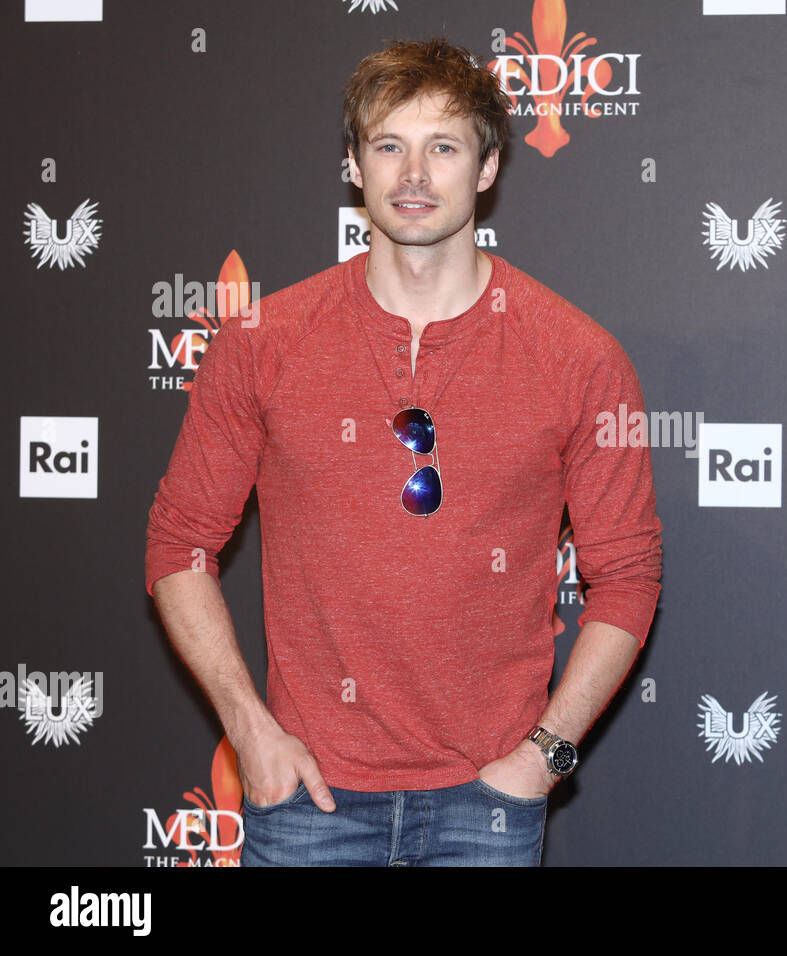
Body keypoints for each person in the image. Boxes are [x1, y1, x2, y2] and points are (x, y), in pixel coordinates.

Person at [144, 37, 662, 866]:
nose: (414, 174)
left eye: (443, 146)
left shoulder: (577, 357)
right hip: (306, 798)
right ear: (354, 165)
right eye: (389, 145)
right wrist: (250, 731)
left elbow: (628, 578)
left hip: (488, 806)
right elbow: (179, 544)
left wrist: (544, 758)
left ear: (487, 170)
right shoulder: (262, 344)